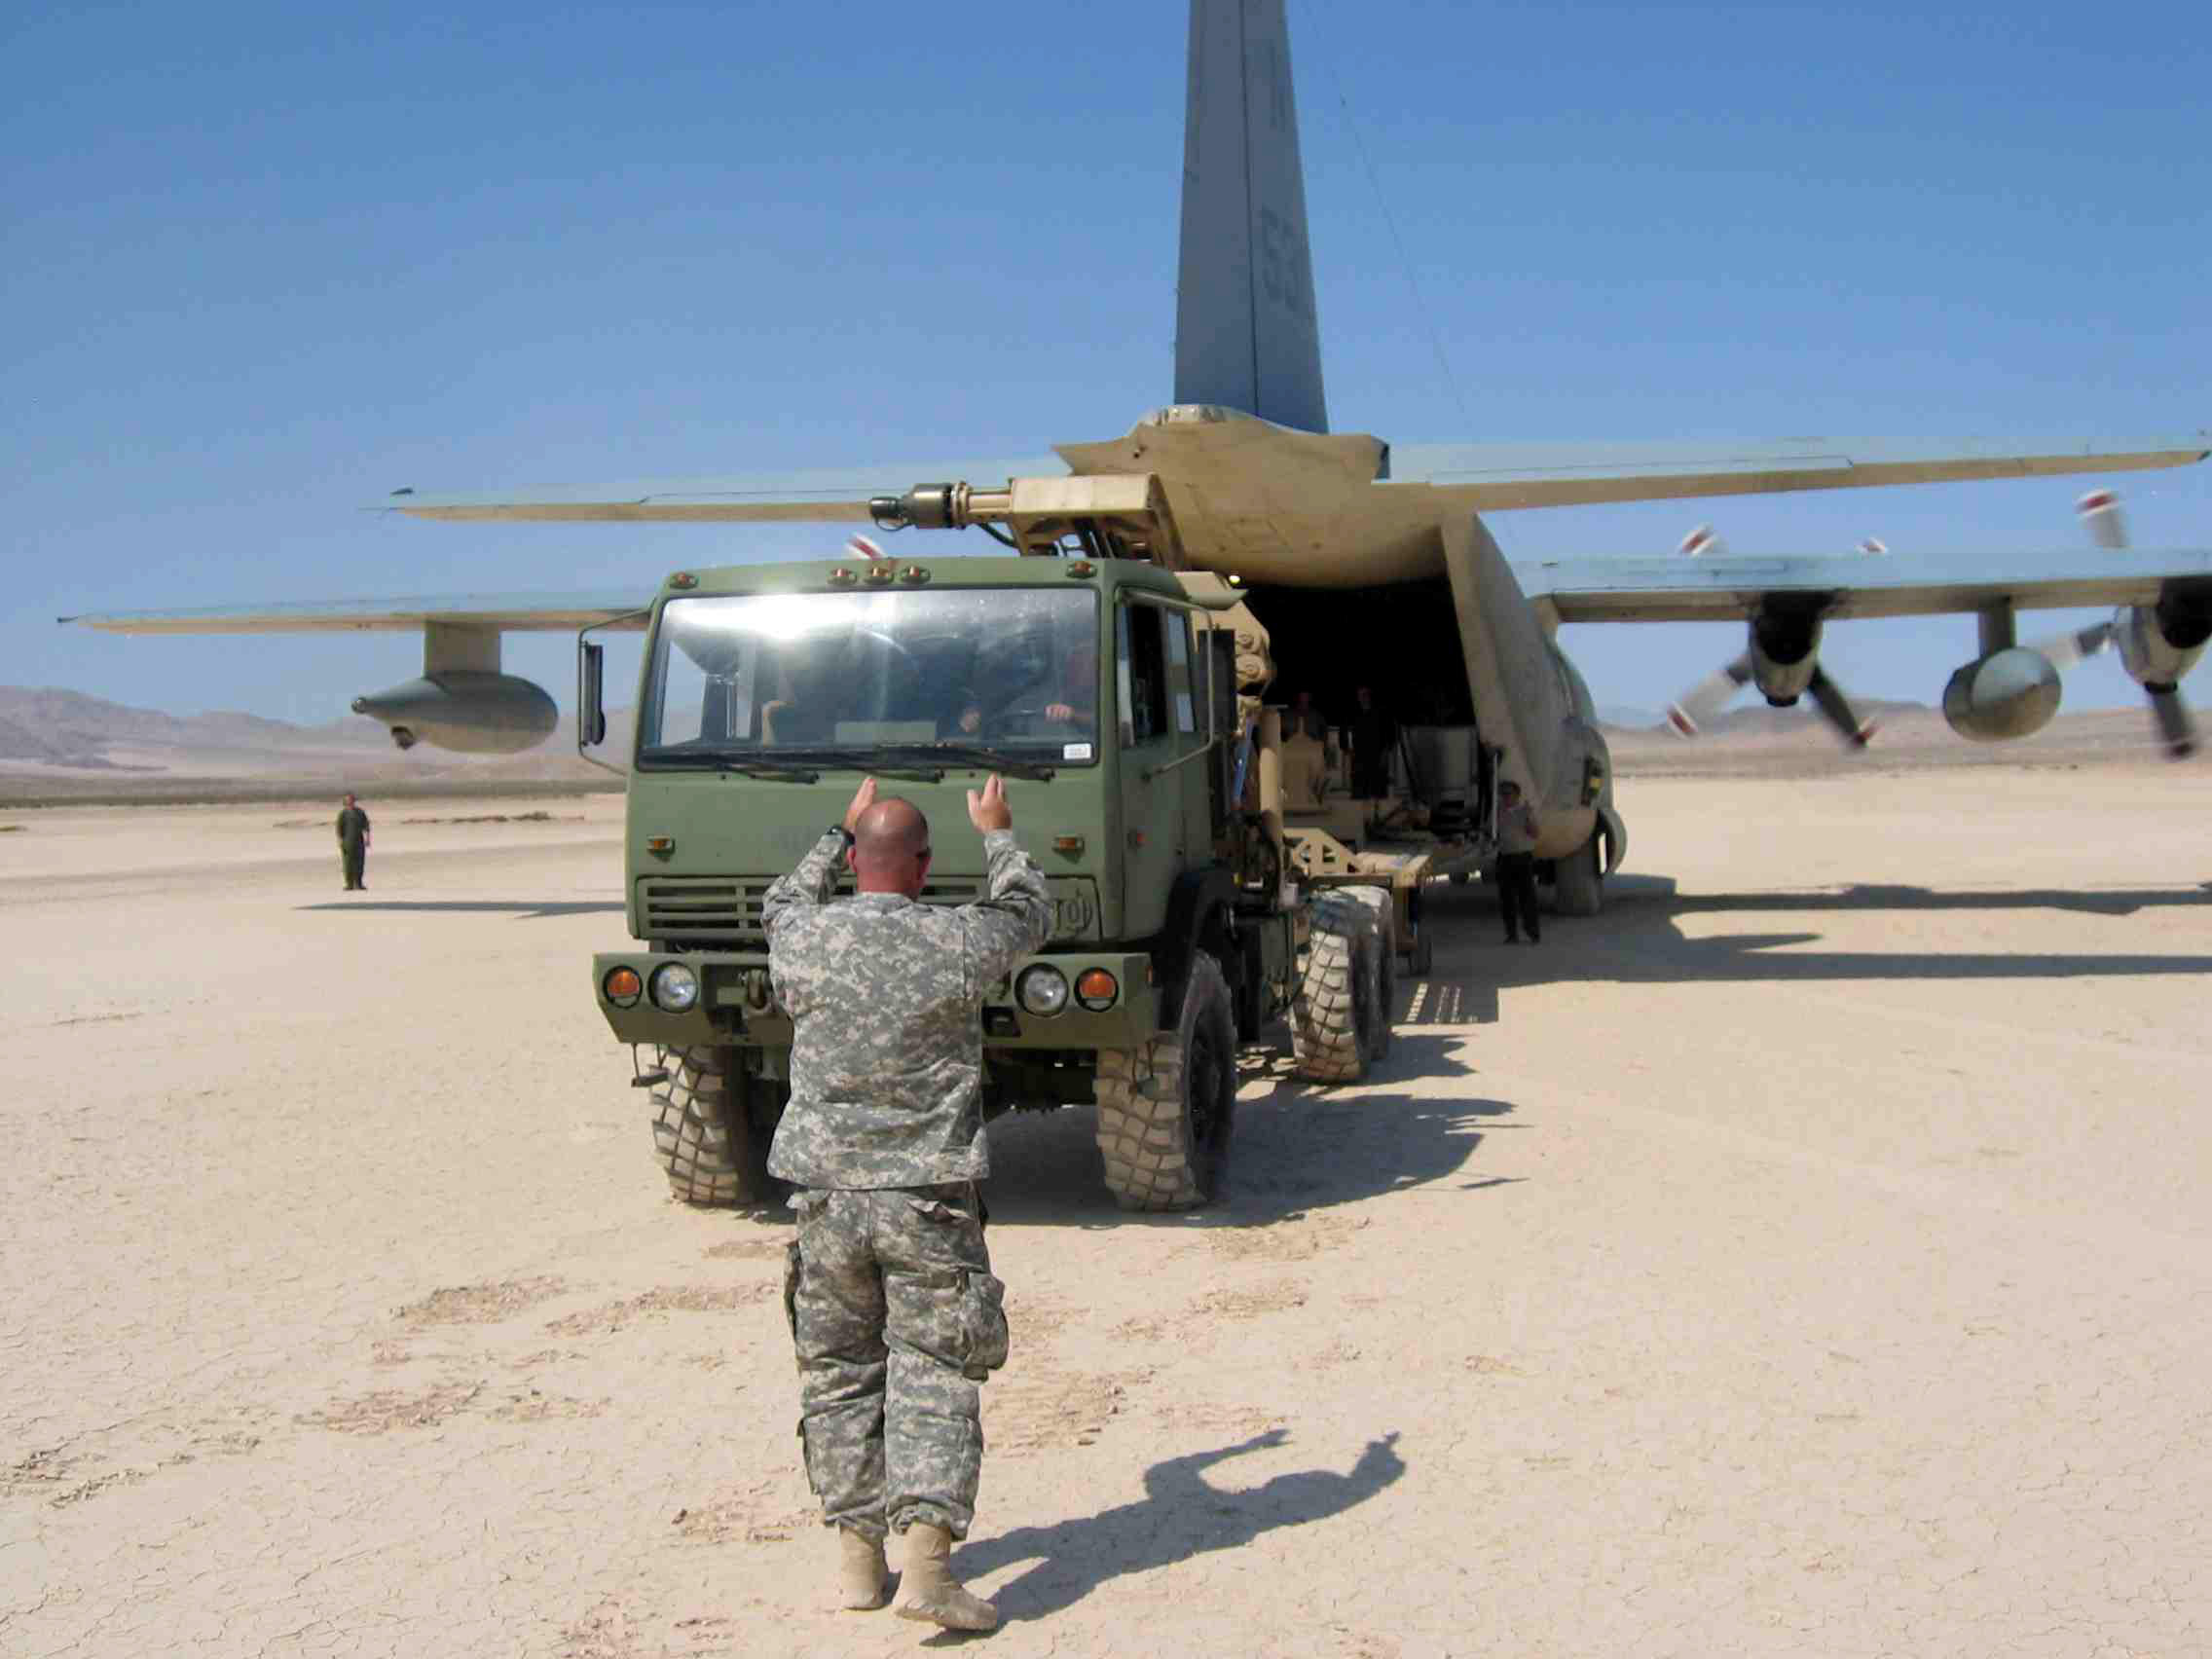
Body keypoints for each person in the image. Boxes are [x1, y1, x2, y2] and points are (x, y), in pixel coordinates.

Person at [762, 773, 1051, 1631]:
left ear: (856, 862)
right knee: (933, 1370)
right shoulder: (956, 941)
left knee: (840, 1375)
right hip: (925, 1199)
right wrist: (997, 831)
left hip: (826, 1199)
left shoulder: (802, 940)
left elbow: (784, 897)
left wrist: (833, 830)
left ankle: (859, 1564)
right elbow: (1030, 909)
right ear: (923, 868)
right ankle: (927, 1571)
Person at [1495, 779, 1541, 943]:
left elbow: (1535, 833)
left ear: (1517, 795)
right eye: (1502, 794)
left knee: (1527, 897)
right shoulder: (1497, 813)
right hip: (1505, 858)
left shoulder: (1525, 811)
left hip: (1522, 858)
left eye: (1508, 794)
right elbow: (1491, 833)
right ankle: (1511, 934)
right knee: (1507, 899)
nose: (1505, 798)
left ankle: (1532, 931)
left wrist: (1528, 817)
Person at [1348, 685, 1397, 799]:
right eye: (1360, 695)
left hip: (1377, 757)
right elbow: (1345, 732)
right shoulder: (1354, 713)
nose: (1363, 697)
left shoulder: (1382, 712)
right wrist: (1347, 750)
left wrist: (1385, 752)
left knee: (1378, 791)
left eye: (1365, 694)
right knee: (1359, 791)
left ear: (1369, 696)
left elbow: (1391, 734)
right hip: (1359, 758)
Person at [335, 793, 371, 891]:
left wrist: (368, 839)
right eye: (348, 800)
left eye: (352, 800)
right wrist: (340, 841)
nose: (350, 802)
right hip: (347, 842)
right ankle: (349, 884)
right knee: (348, 863)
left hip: (359, 841)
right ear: (345, 802)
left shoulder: (360, 812)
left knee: (359, 863)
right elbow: (339, 829)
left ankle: (358, 883)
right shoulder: (343, 814)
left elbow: (366, 826)